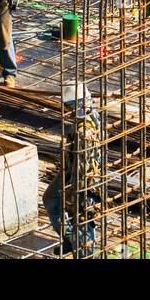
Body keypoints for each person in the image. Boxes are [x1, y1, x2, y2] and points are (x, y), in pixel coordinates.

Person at [43, 82, 101, 257]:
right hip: (69, 171)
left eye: (70, 106)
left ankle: (84, 254)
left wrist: (72, 193)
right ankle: (70, 239)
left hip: (83, 181)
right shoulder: (85, 117)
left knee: (82, 218)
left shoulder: (85, 131)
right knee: (50, 199)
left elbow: (84, 169)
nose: (68, 110)